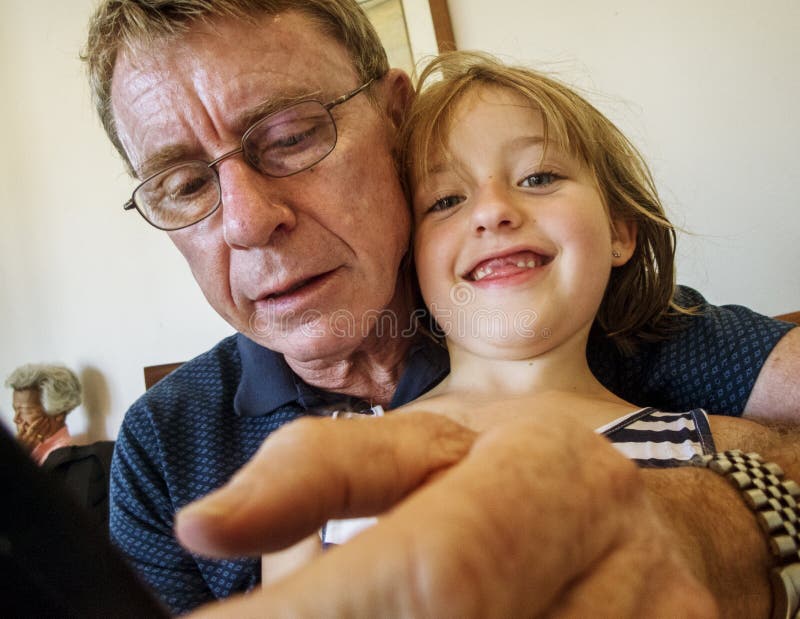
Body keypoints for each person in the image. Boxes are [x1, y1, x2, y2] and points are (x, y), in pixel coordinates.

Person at [80, 0, 800, 615]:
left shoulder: (588, 310)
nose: (245, 221)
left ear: (394, 116)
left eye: (292, 136)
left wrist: (716, 515)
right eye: (182, 184)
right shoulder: (162, 446)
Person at [6, 363, 81, 464]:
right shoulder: (29, 449)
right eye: (15, 410)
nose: (16, 419)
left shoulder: (63, 458)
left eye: (26, 410)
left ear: (58, 412)